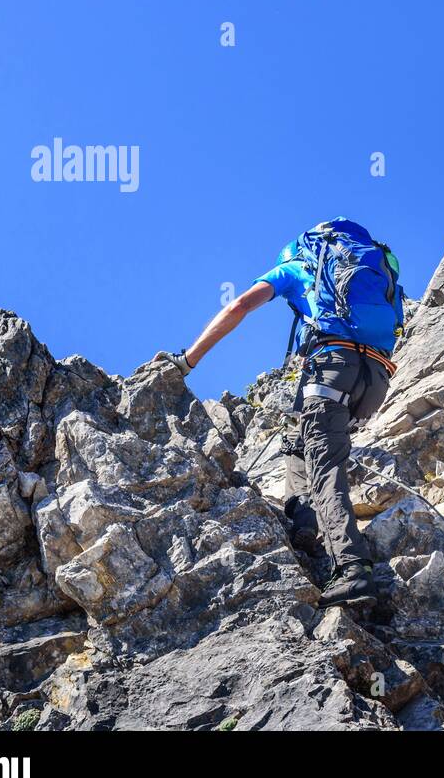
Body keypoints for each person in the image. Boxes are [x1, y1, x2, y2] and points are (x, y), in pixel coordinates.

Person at [154, 218, 405, 610]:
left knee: (325, 467)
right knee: (298, 443)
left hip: (330, 369)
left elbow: (239, 305)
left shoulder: (298, 262)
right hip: (375, 378)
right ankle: (304, 524)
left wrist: (188, 360)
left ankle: (353, 568)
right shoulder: (374, 263)